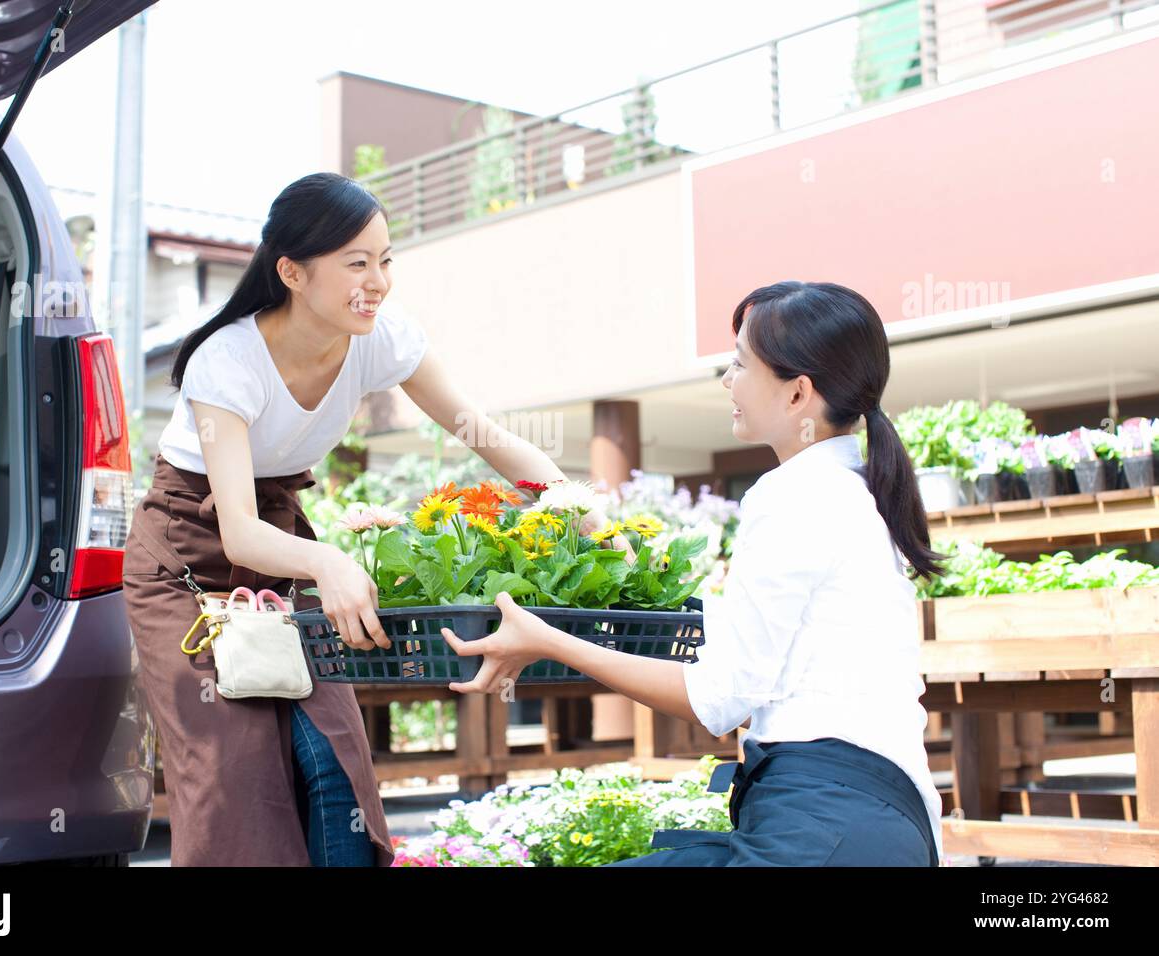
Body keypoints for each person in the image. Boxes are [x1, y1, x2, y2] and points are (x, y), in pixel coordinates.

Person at [121, 172, 627, 866]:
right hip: (185, 564)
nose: (378, 280)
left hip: (283, 550)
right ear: (292, 272)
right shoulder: (228, 360)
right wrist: (329, 561)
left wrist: (576, 506)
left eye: (385, 260)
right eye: (357, 262)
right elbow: (236, 528)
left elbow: (484, 434)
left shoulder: (380, 340)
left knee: (333, 762)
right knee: (234, 779)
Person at [440, 280, 948, 866]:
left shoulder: (796, 496)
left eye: (739, 363)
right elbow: (753, 644)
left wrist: (550, 641)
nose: (727, 380)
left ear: (797, 394)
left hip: (825, 828)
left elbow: (717, 701)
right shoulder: (851, 487)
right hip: (866, 823)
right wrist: (624, 567)